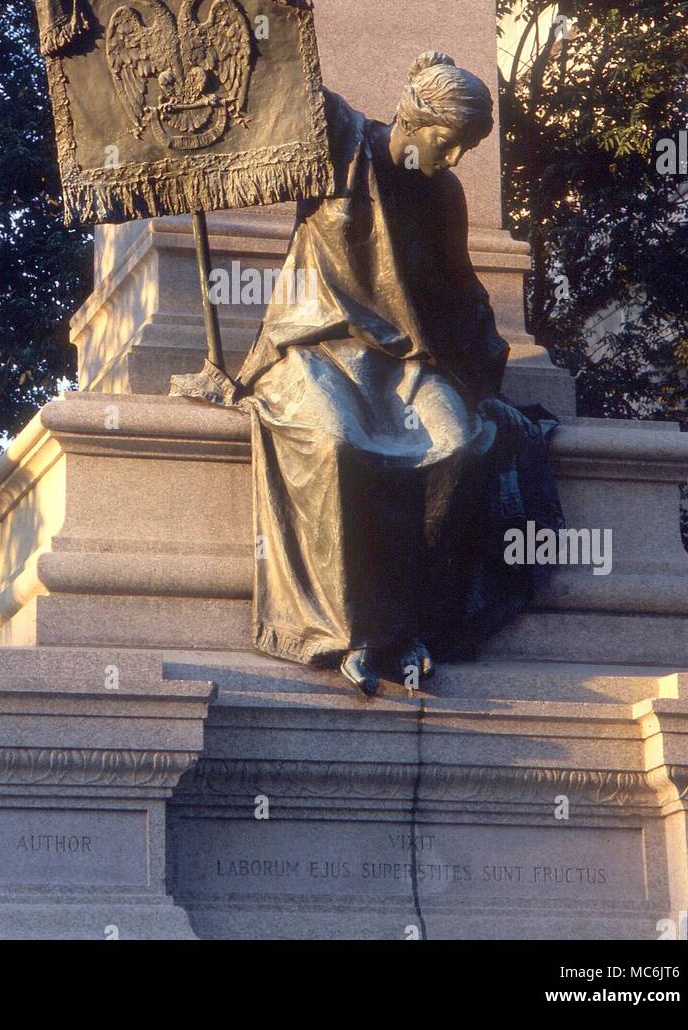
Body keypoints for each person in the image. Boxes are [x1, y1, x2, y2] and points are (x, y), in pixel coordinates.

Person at [179, 50, 564, 697]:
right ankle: (351, 632)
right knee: (331, 445)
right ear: (411, 119)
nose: (456, 159)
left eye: (466, 148)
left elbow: (459, 291)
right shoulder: (340, 140)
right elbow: (267, 73)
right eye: (449, 142)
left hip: (407, 365)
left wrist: (487, 387)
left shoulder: (441, 191)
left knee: (462, 445)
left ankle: (409, 625)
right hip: (317, 349)